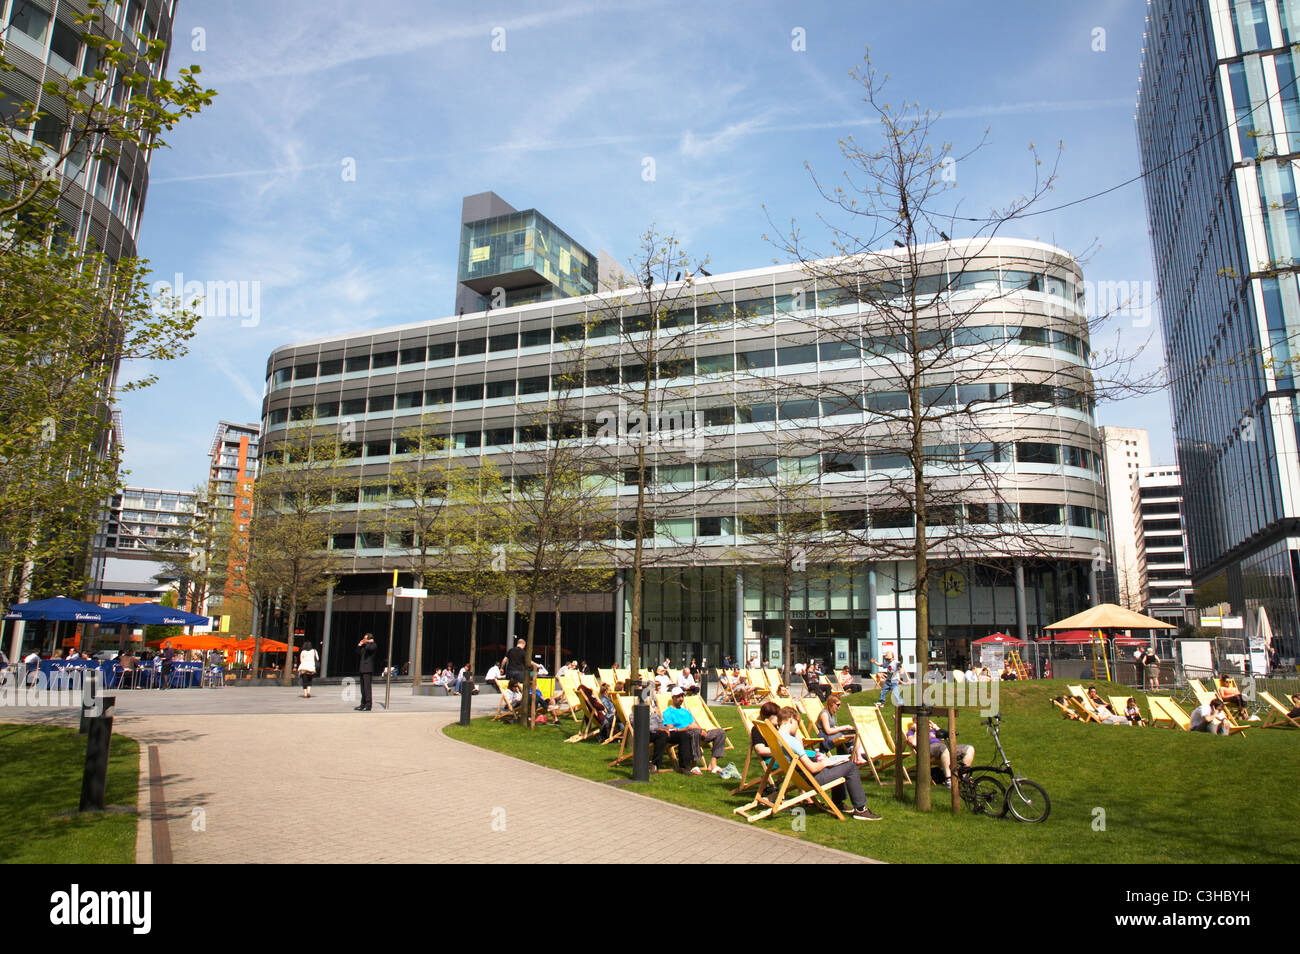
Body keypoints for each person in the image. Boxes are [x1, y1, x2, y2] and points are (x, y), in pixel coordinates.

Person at [775, 706, 881, 820]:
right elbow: (813, 768)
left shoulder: (777, 737)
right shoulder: (793, 742)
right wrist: (825, 763)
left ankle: (838, 803)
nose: (798, 727)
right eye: (798, 723)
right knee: (850, 766)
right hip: (811, 779)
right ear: (791, 720)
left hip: (799, 776)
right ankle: (860, 809)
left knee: (839, 764)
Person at [660, 687, 726, 774]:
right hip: (684, 734)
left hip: (696, 732)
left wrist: (701, 730)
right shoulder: (668, 712)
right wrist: (687, 728)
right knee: (695, 732)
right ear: (673, 698)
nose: (681, 699)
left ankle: (713, 764)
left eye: (682, 696)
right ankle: (694, 765)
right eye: (678, 697)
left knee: (720, 732)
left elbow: (694, 724)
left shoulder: (686, 711)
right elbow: (671, 729)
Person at [904, 717, 974, 787]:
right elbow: (913, 743)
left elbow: (945, 737)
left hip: (943, 748)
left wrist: (937, 728)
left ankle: (963, 776)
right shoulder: (911, 732)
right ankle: (948, 779)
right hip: (927, 750)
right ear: (914, 721)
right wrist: (917, 730)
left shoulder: (932, 730)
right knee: (942, 748)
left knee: (969, 748)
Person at [355, 632, 377, 711]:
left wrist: (367, 642)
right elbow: (358, 652)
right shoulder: (365, 646)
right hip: (362, 669)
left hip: (368, 669)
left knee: (367, 688)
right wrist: (360, 645)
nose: (364, 640)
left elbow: (369, 649)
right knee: (363, 688)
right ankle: (362, 704)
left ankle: (368, 705)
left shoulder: (373, 645)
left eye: (365, 638)